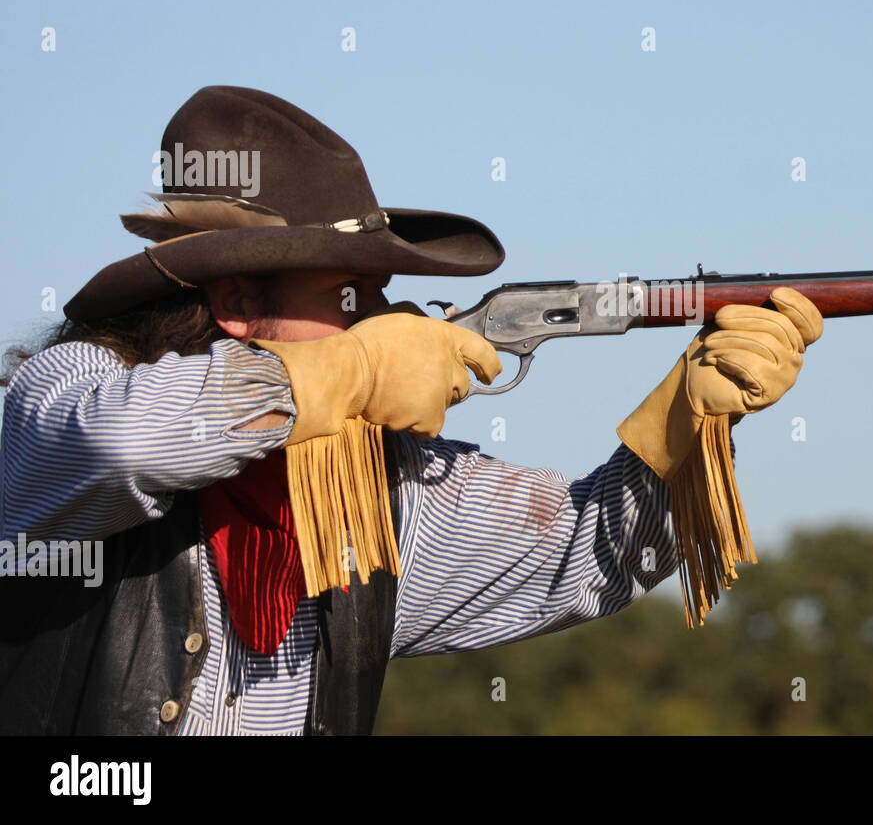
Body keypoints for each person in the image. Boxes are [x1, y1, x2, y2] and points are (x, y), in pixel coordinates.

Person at [0, 86, 821, 735]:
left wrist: (688, 424)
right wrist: (345, 373)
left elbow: (585, 556)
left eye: (382, 296)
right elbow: (123, 444)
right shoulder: (66, 390)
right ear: (239, 300)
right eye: (349, 295)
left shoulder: (385, 487)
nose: (383, 320)